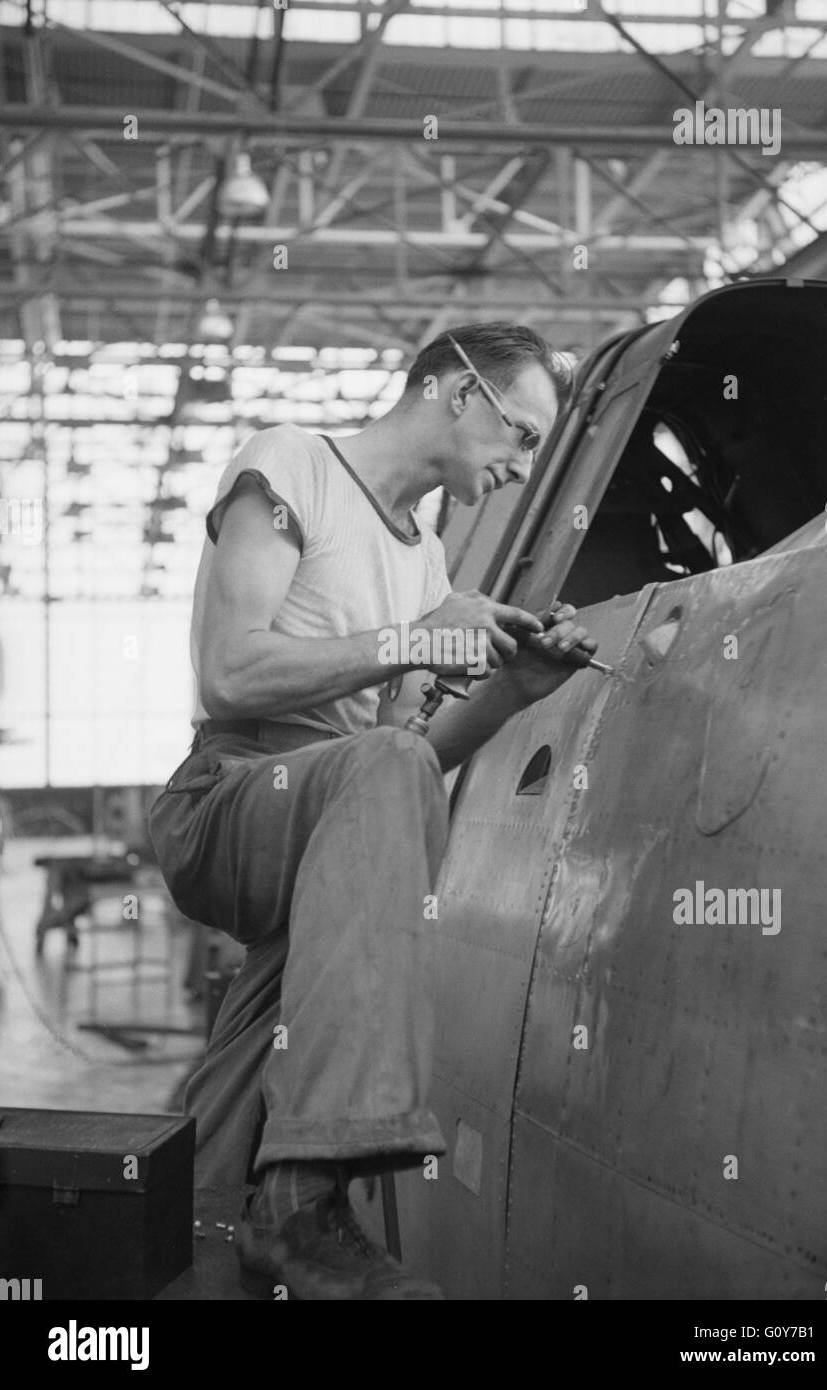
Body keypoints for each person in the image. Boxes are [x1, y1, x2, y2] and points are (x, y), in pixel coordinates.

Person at [148, 322, 598, 1300]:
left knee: (229, 1131)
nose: (524, 466)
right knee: (380, 762)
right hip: (230, 795)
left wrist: (513, 688)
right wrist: (410, 638)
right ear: (454, 389)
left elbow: (404, 770)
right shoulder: (290, 464)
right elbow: (231, 673)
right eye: (521, 434)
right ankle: (310, 1193)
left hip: (326, 822)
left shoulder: (425, 557)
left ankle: (222, 1231)